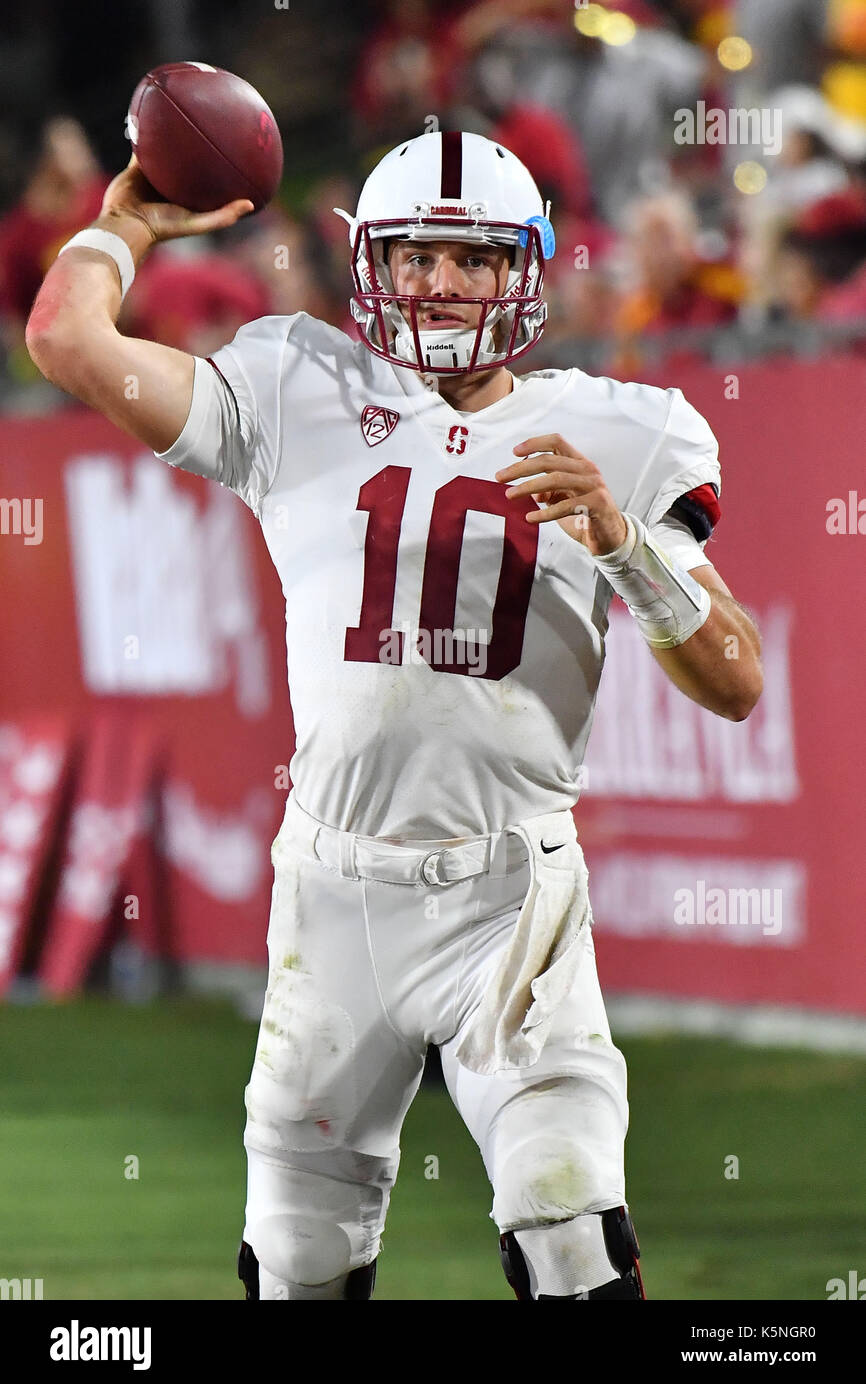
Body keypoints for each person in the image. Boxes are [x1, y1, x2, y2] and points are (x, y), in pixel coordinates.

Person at [26, 130, 763, 1301]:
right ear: (370, 262)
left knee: (568, 1228)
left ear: (524, 269)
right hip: (331, 893)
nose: (438, 285)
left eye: (470, 259)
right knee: (299, 1265)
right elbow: (66, 339)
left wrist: (622, 545)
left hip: (512, 899)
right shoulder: (293, 385)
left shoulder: (622, 431)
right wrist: (124, 225)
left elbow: (734, 681)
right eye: (413, 256)